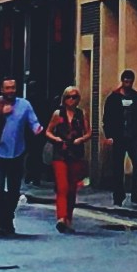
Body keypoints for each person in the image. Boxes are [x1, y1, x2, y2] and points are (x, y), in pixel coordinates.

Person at [0, 77, 41, 237]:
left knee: (14, 191)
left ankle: (8, 219)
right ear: (2, 90)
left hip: (17, 153)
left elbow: (33, 121)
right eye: (7, 88)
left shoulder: (24, 105)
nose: (10, 91)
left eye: (13, 87)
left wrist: (37, 129)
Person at [100, 72, 137, 211]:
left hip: (134, 137)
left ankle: (136, 194)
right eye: (126, 81)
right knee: (118, 167)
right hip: (118, 137)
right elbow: (107, 119)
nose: (128, 84)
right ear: (122, 81)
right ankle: (118, 196)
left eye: (130, 82)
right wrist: (109, 136)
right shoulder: (113, 98)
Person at [47, 83, 88, 231]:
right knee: (62, 187)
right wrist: (55, 139)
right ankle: (61, 217)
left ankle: (68, 219)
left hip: (76, 154)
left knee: (71, 189)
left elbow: (88, 132)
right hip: (60, 153)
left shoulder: (81, 114)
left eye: (75, 97)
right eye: (69, 97)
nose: (72, 100)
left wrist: (81, 139)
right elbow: (48, 131)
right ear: (64, 99)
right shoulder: (58, 114)